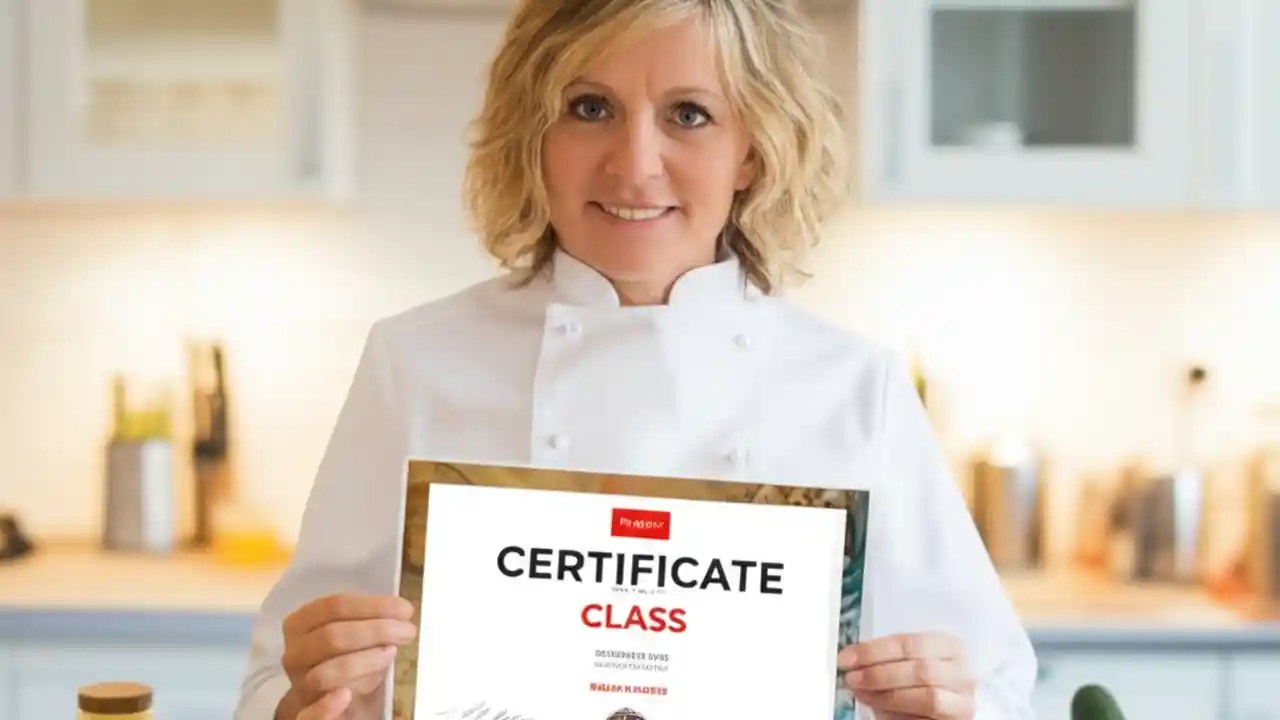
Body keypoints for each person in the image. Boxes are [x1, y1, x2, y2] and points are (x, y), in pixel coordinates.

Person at [234, 1, 1038, 719]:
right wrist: (311, 698)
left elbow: (997, 688)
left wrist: (951, 706)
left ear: (752, 152)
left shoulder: (856, 387)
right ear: (535, 136)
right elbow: (275, 681)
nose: (633, 163)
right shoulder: (414, 361)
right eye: (590, 108)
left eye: (689, 115)